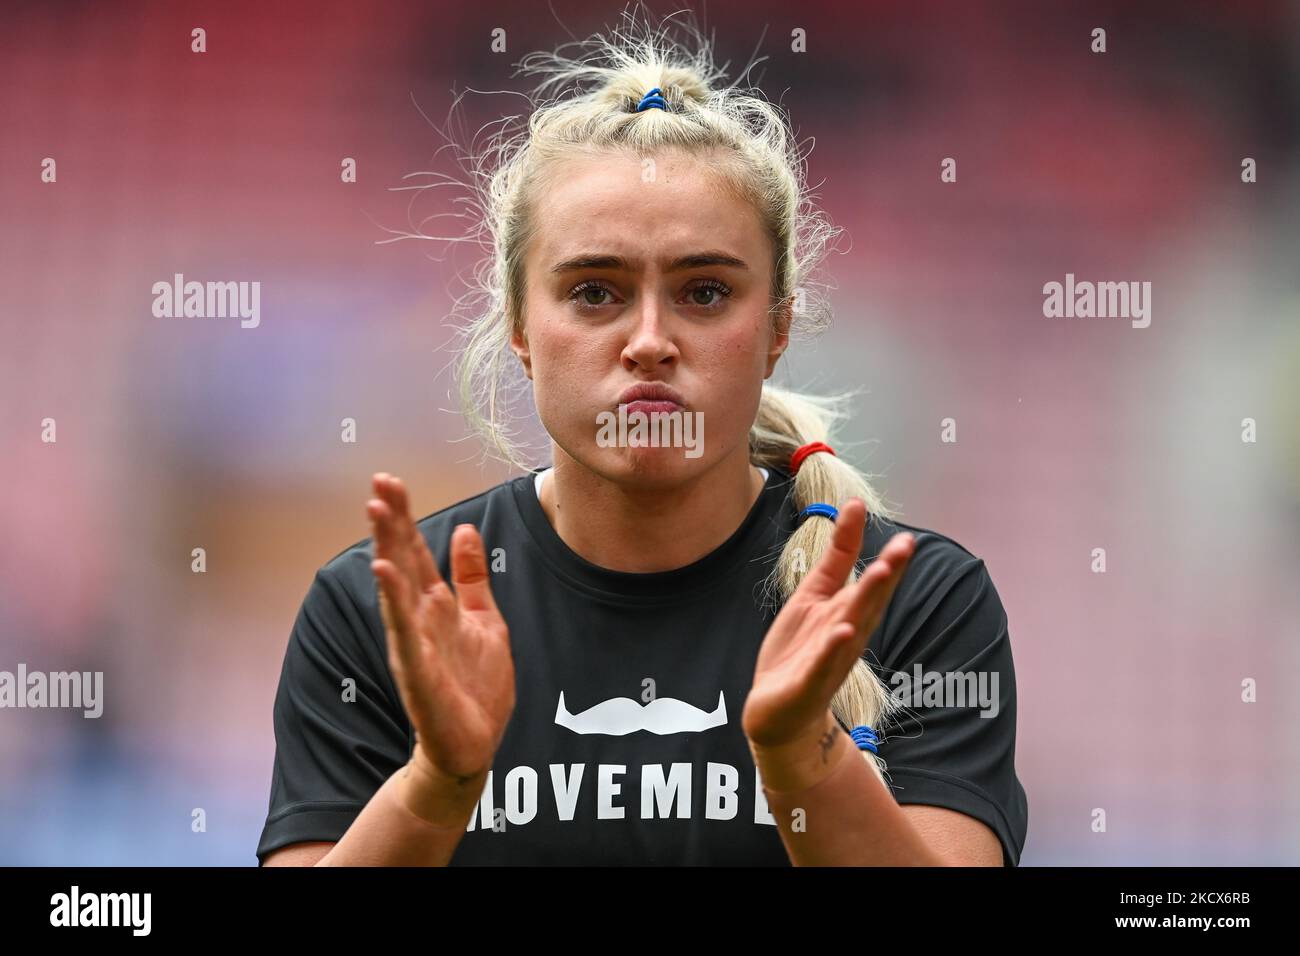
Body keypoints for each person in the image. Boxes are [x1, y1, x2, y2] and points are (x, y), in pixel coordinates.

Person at [256, 17, 1028, 867]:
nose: (650, 339)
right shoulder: (383, 612)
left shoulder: (914, 602)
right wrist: (437, 782)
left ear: (777, 327)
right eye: (594, 290)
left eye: (704, 292)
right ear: (518, 325)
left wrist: (804, 761)